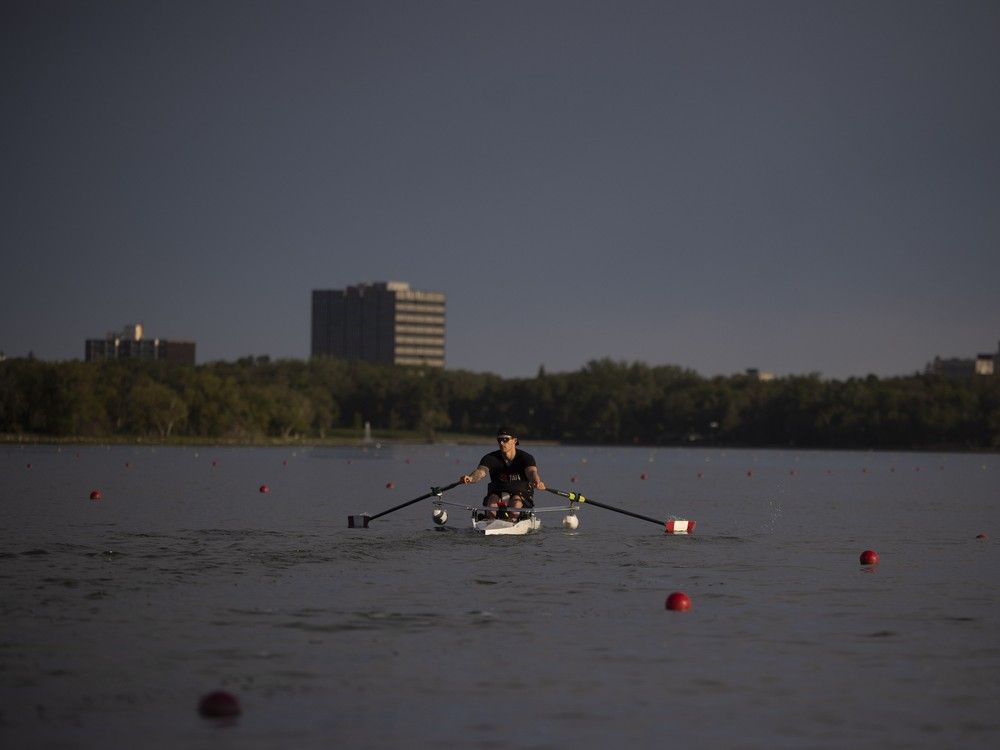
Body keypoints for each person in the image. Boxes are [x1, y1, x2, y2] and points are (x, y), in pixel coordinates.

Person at [460, 427, 546, 521]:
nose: (502, 443)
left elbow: (531, 472)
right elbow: (480, 472)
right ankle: (490, 520)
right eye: (499, 440)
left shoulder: (526, 458)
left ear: (514, 440)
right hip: (497, 492)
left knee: (516, 503)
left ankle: (513, 520)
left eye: (505, 439)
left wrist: (536, 481)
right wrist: (471, 478)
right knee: (492, 502)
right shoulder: (490, 458)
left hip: (520, 492)